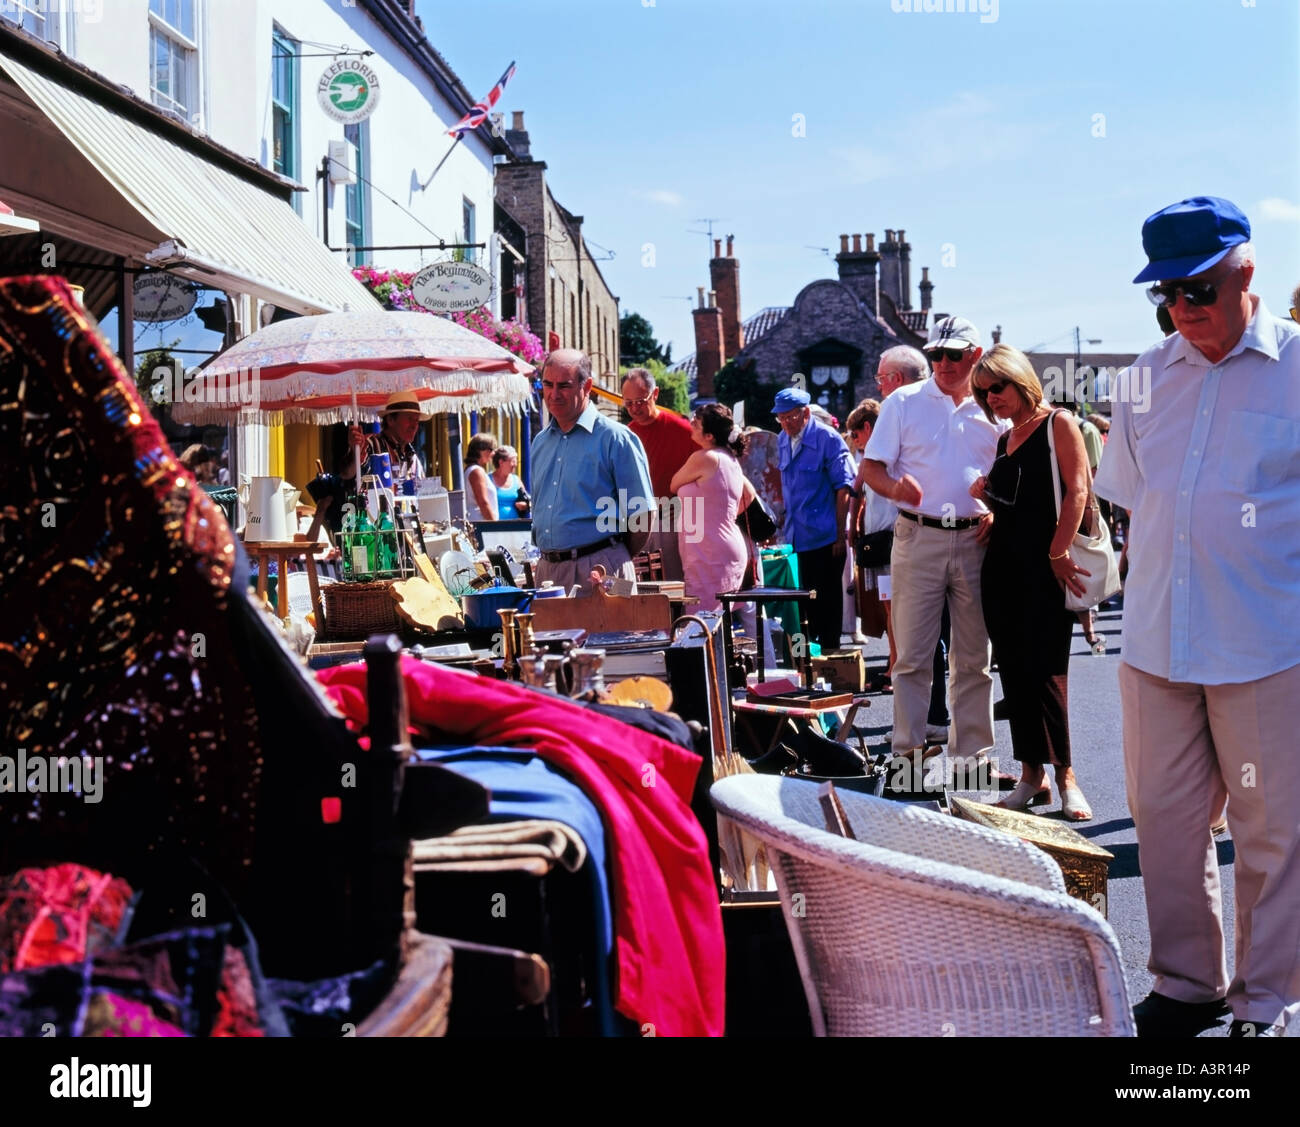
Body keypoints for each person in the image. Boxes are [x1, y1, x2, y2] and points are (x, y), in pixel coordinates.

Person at [1095, 196, 1300, 1039]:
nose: (1182, 310)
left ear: (1246, 274)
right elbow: (1137, 502)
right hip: (1155, 644)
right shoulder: (1142, 378)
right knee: (1166, 825)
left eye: (1198, 290)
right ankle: (1186, 981)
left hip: (1265, 644)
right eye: (1166, 295)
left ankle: (1264, 997)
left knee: (1271, 836)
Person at [859, 317, 1007, 769]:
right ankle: (908, 758)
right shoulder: (903, 402)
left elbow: (1007, 474)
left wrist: (998, 511)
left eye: (953, 354)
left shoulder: (995, 407)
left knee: (973, 658)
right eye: (936, 354)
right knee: (912, 656)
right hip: (917, 535)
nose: (942, 363)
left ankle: (971, 763)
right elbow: (871, 469)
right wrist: (896, 490)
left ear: (975, 356)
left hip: (976, 540)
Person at [969, 344, 1094, 820]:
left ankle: (1066, 778)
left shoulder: (1057, 423)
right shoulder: (1005, 439)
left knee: (1047, 674)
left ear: (1019, 379)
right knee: (1016, 675)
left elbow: (1077, 490)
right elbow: (1016, 504)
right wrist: (989, 504)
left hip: (1045, 565)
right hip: (1001, 566)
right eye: (983, 392)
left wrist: (1058, 551)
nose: (991, 397)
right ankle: (1030, 776)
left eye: (996, 386)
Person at [531, 349, 654, 592]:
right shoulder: (540, 442)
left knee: (614, 632)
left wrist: (612, 554)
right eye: (548, 384)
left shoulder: (616, 439)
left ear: (587, 386)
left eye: (564, 386)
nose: (554, 394)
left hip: (602, 568)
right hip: (548, 571)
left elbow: (641, 516)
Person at [772, 387, 855, 655]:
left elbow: (843, 488)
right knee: (804, 604)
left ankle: (831, 658)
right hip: (797, 537)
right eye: (780, 418)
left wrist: (841, 536)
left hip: (825, 537)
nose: (785, 423)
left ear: (805, 413)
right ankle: (810, 662)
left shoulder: (827, 439)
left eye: (790, 417)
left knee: (827, 602)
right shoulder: (783, 440)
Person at [669, 404, 758, 614]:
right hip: (721, 545)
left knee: (699, 622)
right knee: (713, 621)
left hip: (709, 551)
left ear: (709, 435)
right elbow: (749, 495)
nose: (690, 423)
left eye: (696, 422)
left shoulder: (704, 458)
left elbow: (673, 484)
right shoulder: (730, 459)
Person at [623, 368, 697, 581]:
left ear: (655, 394)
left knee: (674, 582)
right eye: (628, 403)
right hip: (637, 522)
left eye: (640, 401)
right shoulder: (626, 434)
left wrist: (685, 502)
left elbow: (707, 475)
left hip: (673, 521)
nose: (635, 408)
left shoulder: (683, 431)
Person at [343, 389, 425, 485]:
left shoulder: (412, 456)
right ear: (390, 420)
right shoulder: (370, 444)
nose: (414, 425)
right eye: (409, 419)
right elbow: (346, 474)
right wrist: (354, 452)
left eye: (417, 420)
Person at [462, 432, 498, 523]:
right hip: (482, 526)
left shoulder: (471, 469)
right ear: (482, 450)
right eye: (492, 449)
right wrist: (495, 525)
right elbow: (483, 503)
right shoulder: (477, 471)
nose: (493, 453)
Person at [490, 445, 530, 519]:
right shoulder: (488, 480)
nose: (515, 464)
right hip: (493, 527)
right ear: (501, 462)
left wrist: (525, 505)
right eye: (513, 461)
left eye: (516, 461)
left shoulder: (516, 480)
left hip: (514, 527)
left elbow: (527, 500)